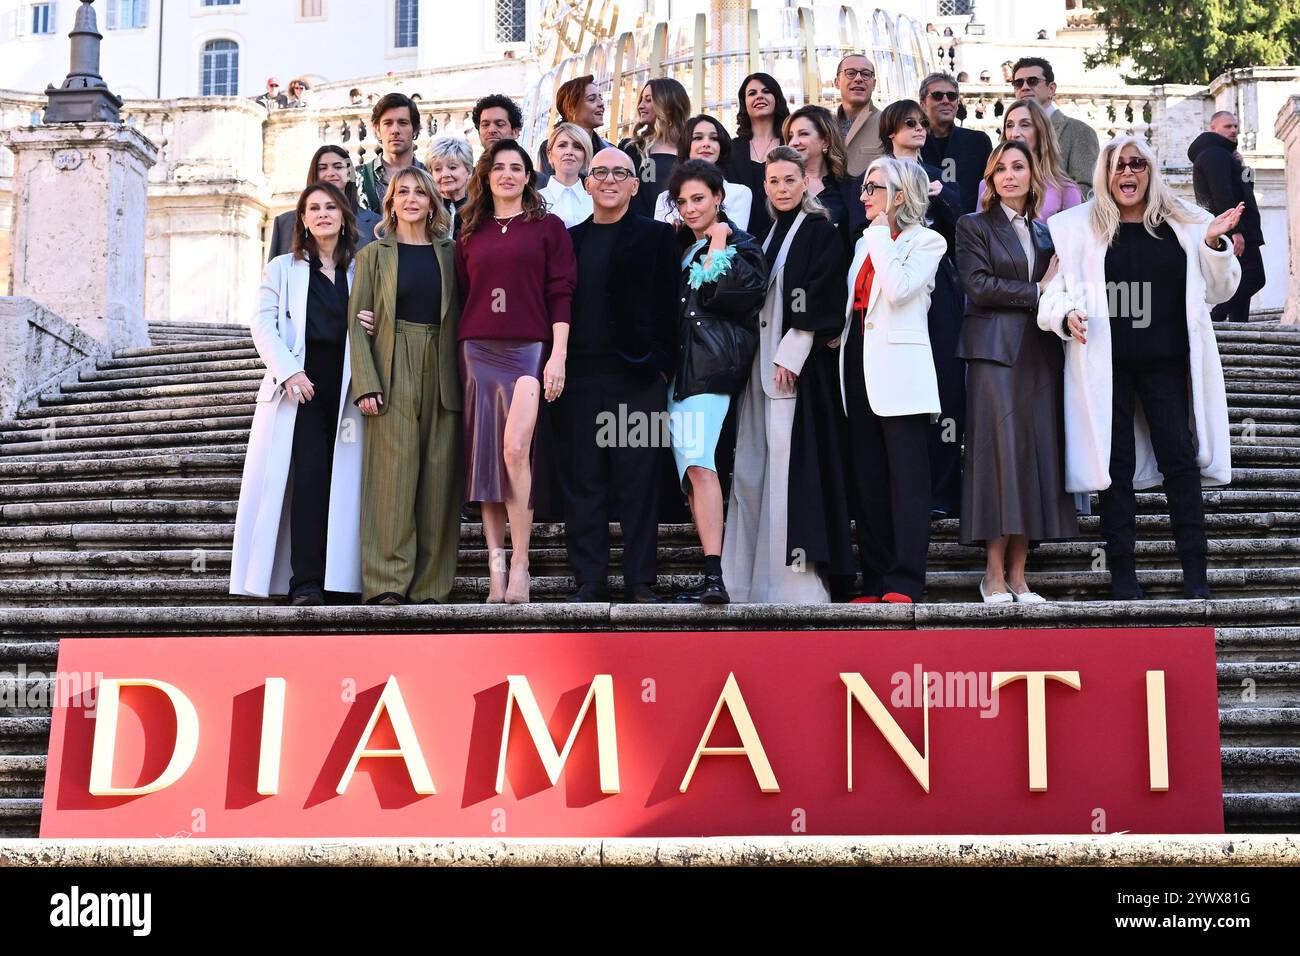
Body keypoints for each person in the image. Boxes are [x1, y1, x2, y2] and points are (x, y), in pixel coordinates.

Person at [1039, 135, 1242, 600]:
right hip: (1105, 366)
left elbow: (1221, 291)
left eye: (1136, 165)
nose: (1127, 174)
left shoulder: (1190, 226)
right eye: (1117, 167)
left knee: (1181, 464)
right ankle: (1123, 577)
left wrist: (1215, 246)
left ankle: (1196, 575)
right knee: (1115, 469)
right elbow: (1054, 292)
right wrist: (1064, 315)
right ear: (1105, 176)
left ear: (1149, 172)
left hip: (1168, 365)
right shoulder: (1076, 229)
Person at [722, 146, 852, 603]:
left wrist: (791, 354)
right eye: (773, 181)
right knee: (754, 469)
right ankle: (747, 581)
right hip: (757, 371)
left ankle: (793, 584)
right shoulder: (768, 233)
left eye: (789, 180)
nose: (781, 188)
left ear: (805, 183)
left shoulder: (820, 231)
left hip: (793, 373)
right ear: (765, 187)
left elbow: (826, 296)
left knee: (789, 471)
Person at [553, 147, 679, 603]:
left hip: (638, 379)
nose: (608, 180)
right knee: (583, 480)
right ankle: (590, 580)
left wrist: (662, 367)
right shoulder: (567, 239)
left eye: (619, 173)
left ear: (634, 184)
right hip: (579, 381)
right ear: (586, 183)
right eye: (600, 172)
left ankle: (640, 580)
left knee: (638, 480)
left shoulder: (658, 237)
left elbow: (671, 306)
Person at [954, 141, 1077, 603]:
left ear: (1032, 175)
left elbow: (1064, 287)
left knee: (1033, 458)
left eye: (1018, 167)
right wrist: (1036, 288)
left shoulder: (1049, 234)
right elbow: (978, 286)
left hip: (1042, 354)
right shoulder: (973, 226)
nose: (1009, 175)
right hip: (993, 357)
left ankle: (1020, 576)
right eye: (1000, 168)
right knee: (997, 459)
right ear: (989, 178)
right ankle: (991, 574)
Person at [455, 140, 577, 604]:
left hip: (529, 349)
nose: (508, 174)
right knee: (486, 458)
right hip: (477, 350)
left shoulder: (549, 228)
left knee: (514, 450)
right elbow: (465, 292)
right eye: (499, 167)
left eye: (517, 167)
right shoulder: (470, 229)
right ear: (486, 176)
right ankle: (496, 567)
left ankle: (522, 560)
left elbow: (561, 291)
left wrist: (557, 354)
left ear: (529, 175)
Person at [231, 182, 363, 605]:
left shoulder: (361, 269)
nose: (323, 214)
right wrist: (289, 372)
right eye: (313, 209)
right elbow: (262, 324)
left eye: (330, 207)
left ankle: (341, 580)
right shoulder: (283, 268)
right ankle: (305, 582)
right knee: (309, 480)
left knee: (345, 483)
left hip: (349, 389)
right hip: (300, 390)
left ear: (344, 217)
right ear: (303, 220)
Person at [348, 168, 462, 605]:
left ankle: (432, 586)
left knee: (439, 478)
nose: (411, 199)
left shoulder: (452, 254)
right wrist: (366, 382)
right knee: (391, 478)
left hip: (444, 363)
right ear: (390, 201)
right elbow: (357, 324)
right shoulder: (373, 255)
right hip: (392, 364)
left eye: (420, 192)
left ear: (433, 201)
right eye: (402, 192)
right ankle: (387, 583)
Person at [839, 158, 946, 603]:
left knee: (906, 483)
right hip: (858, 365)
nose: (863, 196)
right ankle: (877, 579)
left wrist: (881, 233)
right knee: (869, 481)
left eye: (873, 188)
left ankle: (905, 580)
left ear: (899, 196)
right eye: (863, 188)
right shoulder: (867, 242)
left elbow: (899, 288)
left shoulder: (928, 241)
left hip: (902, 376)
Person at [666, 159, 768, 604]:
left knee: (701, 464)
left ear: (719, 198)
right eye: (682, 202)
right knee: (691, 468)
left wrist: (720, 242)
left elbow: (723, 293)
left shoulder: (740, 244)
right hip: (681, 370)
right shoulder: (683, 245)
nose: (690, 209)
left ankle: (714, 576)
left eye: (699, 199)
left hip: (710, 371)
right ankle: (713, 572)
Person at [880, 99, 965, 519]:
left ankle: (944, 491)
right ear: (890, 131)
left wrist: (941, 196)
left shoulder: (939, 178)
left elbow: (962, 230)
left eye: (921, 123)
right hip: (889, 292)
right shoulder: (873, 178)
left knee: (946, 382)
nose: (918, 128)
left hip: (940, 289)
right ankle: (900, 491)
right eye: (908, 123)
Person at [1189, 111, 1266, 323]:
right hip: (1233, 228)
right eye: (1227, 126)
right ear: (1213, 129)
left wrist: (1243, 168)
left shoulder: (1223, 155)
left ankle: (1238, 327)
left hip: (1235, 227)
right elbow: (1221, 193)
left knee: (1240, 280)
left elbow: (1247, 188)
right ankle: (1215, 315)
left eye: (1235, 126)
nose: (1233, 130)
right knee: (1255, 278)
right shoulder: (1214, 154)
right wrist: (1235, 231)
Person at [268, 145, 381, 261]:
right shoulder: (284, 223)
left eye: (338, 167)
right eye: (322, 168)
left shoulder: (375, 224)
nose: (330, 173)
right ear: (314, 174)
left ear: (349, 174)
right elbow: (273, 275)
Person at [979, 97, 1083, 219]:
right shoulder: (989, 185)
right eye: (1009, 125)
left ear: (1041, 131)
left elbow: (1073, 237)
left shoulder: (1066, 190)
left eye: (1025, 125)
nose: (1015, 133)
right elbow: (977, 233)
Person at [783, 104, 866, 256]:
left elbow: (857, 242)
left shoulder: (851, 188)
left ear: (826, 141)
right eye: (790, 136)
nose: (793, 142)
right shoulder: (778, 185)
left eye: (803, 134)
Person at [1011, 57, 1100, 193]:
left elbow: (1086, 191)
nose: (1025, 87)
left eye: (1032, 81)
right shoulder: (1010, 132)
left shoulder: (1079, 132)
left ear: (1051, 89)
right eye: (1018, 83)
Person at [654, 115, 752, 231]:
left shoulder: (740, 193)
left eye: (714, 138)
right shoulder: (664, 199)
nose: (706, 144)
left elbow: (735, 243)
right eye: (698, 138)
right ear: (686, 144)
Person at [726, 72, 790, 242]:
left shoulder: (791, 144)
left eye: (766, 91)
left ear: (776, 98)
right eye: (752, 93)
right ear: (744, 104)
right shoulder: (731, 149)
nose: (759, 96)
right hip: (739, 240)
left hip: (784, 236)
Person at [918, 72, 992, 214]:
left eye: (952, 96)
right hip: (924, 228)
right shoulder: (912, 144)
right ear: (922, 103)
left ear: (957, 104)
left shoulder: (979, 142)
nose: (946, 100)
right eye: (937, 95)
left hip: (967, 228)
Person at [621, 78, 690, 220]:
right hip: (639, 233)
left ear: (668, 104)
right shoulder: (631, 149)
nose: (640, 106)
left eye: (648, 100)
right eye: (641, 100)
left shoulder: (691, 149)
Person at [358, 93, 426, 213]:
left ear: (415, 129)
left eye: (403, 123)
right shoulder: (358, 178)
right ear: (377, 129)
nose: (395, 130)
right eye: (388, 123)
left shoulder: (429, 176)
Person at [537, 74, 608, 179]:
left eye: (600, 98)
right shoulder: (549, 147)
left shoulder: (610, 150)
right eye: (592, 99)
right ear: (571, 109)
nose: (601, 104)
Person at [834, 54, 884, 178]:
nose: (858, 79)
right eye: (850, 73)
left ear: (874, 84)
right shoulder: (824, 125)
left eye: (866, 74)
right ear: (837, 82)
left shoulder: (888, 123)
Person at [538, 123, 595, 227]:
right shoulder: (533, 201)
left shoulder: (596, 202)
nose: (569, 152)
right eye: (562, 145)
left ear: (586, 155)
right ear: (549, 154)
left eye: (577, 147)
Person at [425, 136, 474, 237]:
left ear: (469, 171)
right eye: (438, 169)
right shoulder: (426, 210)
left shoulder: (479, 210)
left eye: (452, 167)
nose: (445, 174)